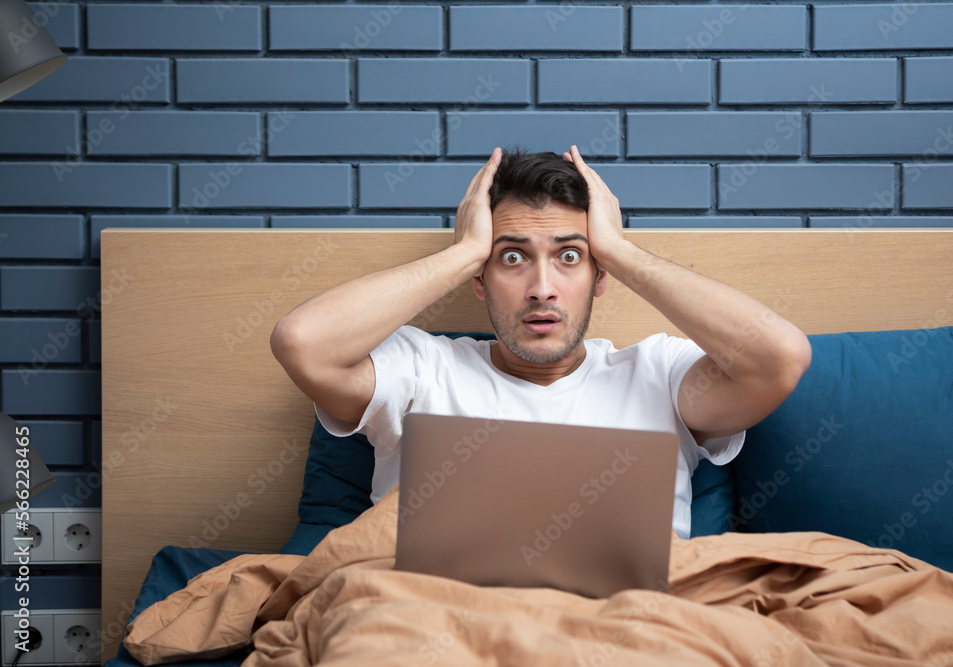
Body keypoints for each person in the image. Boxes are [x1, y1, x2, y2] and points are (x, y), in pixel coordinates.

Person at [270, 144, 812, 539]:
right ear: (480, 278)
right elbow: (302, 342)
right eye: (512, 257)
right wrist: (463, 252)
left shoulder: (660, 373)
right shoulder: (421, 368)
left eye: (570, 256)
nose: (542, 289)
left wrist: (619, 251)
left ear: (600, 277)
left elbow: (778, 358)